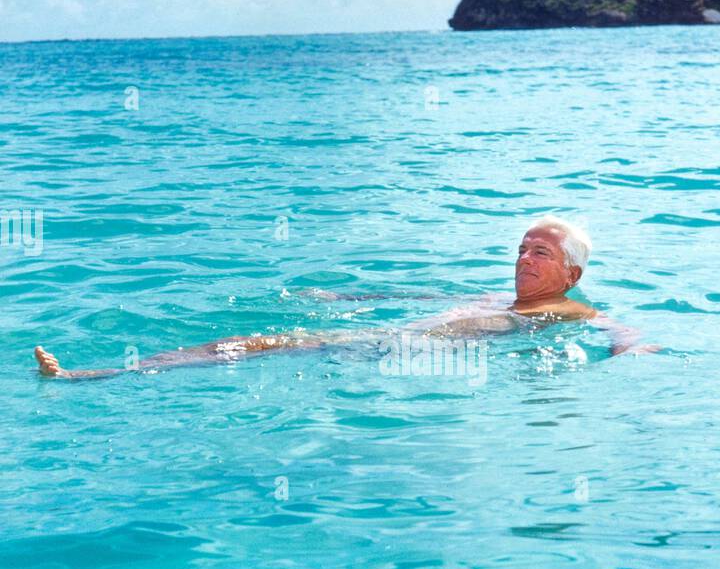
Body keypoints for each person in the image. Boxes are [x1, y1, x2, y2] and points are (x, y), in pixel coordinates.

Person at [34, 216, 654, 380]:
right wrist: (351, 292)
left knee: (257, 345)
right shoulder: (505, 295)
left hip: (396, 348)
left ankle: (100, 374)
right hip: (388, 335)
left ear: (570, 274)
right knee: (261, 345)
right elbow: (428, 291)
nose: (523, 259)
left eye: (540, 253)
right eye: (521, 247)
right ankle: (117, 371)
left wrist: (632, 349)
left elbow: (618, 329)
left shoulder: (572, 309)